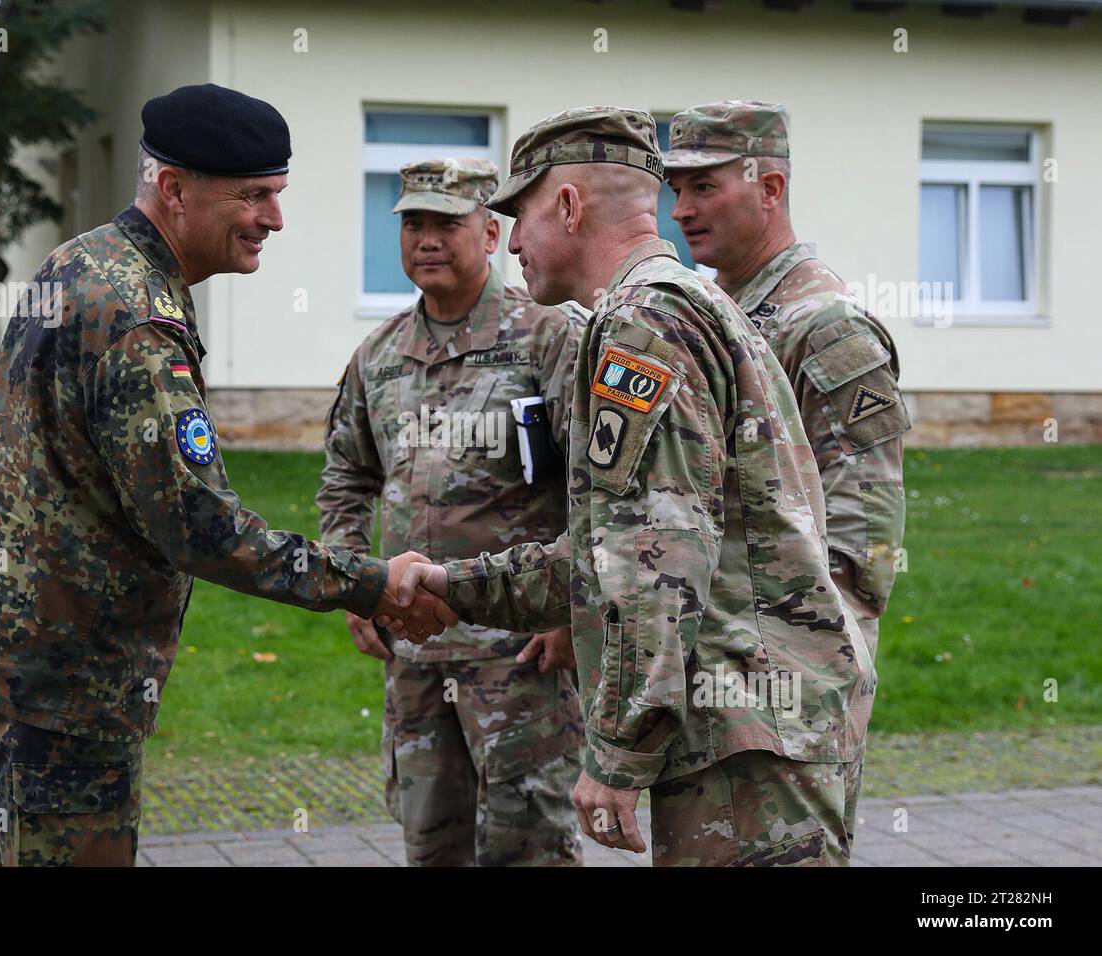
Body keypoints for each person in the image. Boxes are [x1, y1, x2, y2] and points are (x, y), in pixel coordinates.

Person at [0, 84, 455, 867]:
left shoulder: (81, 260)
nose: (274, 219)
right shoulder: (136, 316)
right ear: (173, 189)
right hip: (64, 682)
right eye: (253, 196)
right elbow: (199, 527)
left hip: (9, 649)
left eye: (277, 194)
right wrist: (368, 581)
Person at [391, 106, 875, 866]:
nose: (512, 241)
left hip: (745, 734)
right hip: (756, 722)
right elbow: (606, 555)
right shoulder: (680, 305)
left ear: (570, 206)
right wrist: (450, 584)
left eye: (519, 216)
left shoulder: (641, 324)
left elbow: (655, 560)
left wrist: (617, 751)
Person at [318, 157, 585, 866]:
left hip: (521, 650)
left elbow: (597, 486)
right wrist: (352, 584)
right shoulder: (378, 356)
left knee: (529, 846)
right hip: (416, 651)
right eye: (413, 223)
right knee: (430, 843)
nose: (427, 239)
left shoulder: (546, 338)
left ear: (491, 233)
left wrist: (569, 610)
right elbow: (347, 477)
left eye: (446, 222)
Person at [664, 102, 910, 849]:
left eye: (704, 187)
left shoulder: (823, 325)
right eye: (675, 188)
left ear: (769, 188)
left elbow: (864, 548)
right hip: (719, 685)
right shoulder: (725, 312)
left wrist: (783, 679)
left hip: (782, 703)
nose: (681, 210)